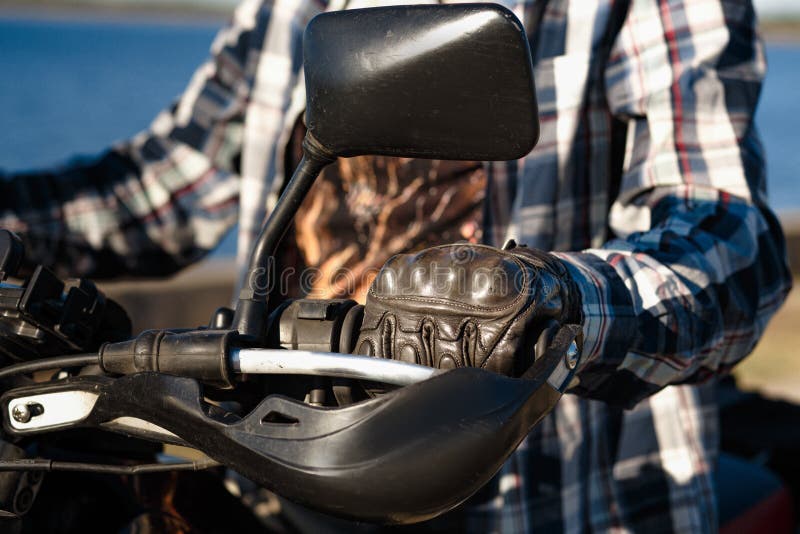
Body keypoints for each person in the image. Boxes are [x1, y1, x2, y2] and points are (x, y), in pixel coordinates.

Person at [0, 0, 793, 531]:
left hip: (553, 504)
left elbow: (727, 238)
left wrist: (551, 304)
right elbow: (177, 180)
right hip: (268, 486)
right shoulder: (292, 10)